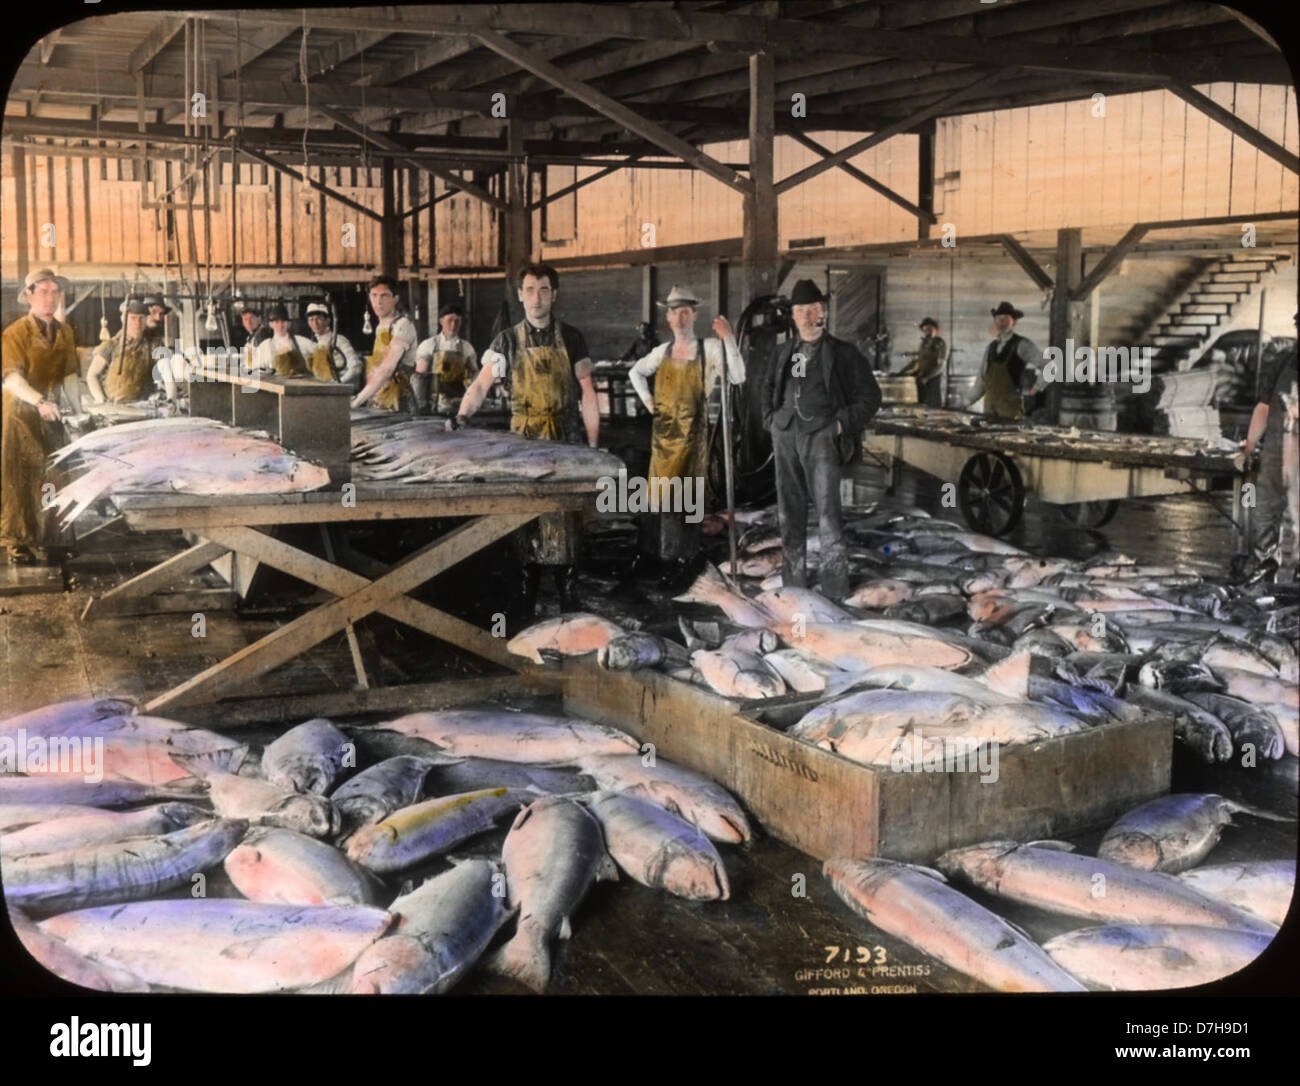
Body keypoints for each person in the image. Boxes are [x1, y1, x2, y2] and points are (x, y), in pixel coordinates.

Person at [451, 261, 600, 618]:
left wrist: (594, 448)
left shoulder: (573, 337)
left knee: (567, 522)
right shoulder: (506, 340)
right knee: (525, 522)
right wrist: (461, 416)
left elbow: (588, 393)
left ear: (555, 294)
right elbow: (481, 386)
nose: (537, 298)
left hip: (566, 442)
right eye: (530, 290)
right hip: (524, 444)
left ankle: (569, 601)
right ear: (520, 296)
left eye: (544, 289)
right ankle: (525, 601)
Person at [762, 279, 880, 602]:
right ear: (793, 316)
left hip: (822, 437)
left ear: (823, 312)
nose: (807, 315)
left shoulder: (843, 353)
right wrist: (771, 421)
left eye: (813, 309)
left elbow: (870, 397)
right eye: (801, 310)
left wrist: (840, 426)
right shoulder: (783, 353)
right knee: (789, 511)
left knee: (828, 515)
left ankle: (835, 591)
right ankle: (794, 586)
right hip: (786, 435)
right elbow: (768, 388)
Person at [628, 285, 744, 588]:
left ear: (694, 315)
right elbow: (635, 373)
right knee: (660, 504)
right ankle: (661, 560)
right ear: (667, 318)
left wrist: (729, 338)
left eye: (685, 312)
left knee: (687, 502)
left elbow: (739, 376)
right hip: (663, 440)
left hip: (693, 440)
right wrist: (649, 402)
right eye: (673, 312)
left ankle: (685, 564)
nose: (679, 318)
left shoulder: (710, 349)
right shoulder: (660, 352)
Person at [2, 268, 83, 565]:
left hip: (51, 412)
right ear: (30, 296)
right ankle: (17, 543)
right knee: (20, 479)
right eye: (44, 292)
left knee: (54, 476)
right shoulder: (16, 332)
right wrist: (39, 402)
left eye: (54, 292)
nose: (50, 298)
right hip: (20, 412)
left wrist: (80, 410)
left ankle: (52, 541)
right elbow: (11, 378)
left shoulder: (65, 332)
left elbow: (70, 375)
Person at [1239, 312, 1300, 584]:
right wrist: (1249, 446)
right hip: (1276, 449)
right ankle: (1264, 566)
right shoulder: (1283, 361)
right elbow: (1263, 407)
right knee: (1264, 511)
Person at [87, 299, 176, 404]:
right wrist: (100, 399)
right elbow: (91, 375)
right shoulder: (111, 345)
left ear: (145, 321)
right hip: (114, 407)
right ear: (124, 320)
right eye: (133, 318)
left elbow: (167, 372)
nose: (137, 323)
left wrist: (172, 400)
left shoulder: (154, 345)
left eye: (141, 318)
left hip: (144, 406)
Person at [352, 276, 419, 412]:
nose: (378, 302)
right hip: (379, 399)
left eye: (384, 296)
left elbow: (387, 370)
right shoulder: (380, 327)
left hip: (399, 404)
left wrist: (357, 400)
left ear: (395, 299)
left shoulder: (402, 325)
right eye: (374, 295)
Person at [976, 301, 1042, 420]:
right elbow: (980, 382)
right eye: (998, 319)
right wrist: (965, 402)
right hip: (989, 411)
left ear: (1014, 322)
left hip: (1010, 411)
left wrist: (1036, 388)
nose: (1001, 322)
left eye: (1006, 318)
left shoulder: (1022, 344)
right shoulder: (990, 348)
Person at [414, 302, 478, 415]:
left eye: (457, 321)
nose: (453, 325)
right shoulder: (429, 345)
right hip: (434, 402)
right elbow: (420, 377)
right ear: (441, 321)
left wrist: (472, 400)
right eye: (449, 321)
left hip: (458, 401)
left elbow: (475, 375)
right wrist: (421, 405)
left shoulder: (467, 348)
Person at [304, 302, 363, 386]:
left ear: (327, 321)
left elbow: (356, 367)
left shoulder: (339, 340)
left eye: (319, 319)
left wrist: (339, 383)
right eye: (311, 319)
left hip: (340, 391)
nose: (315, 323)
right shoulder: (318, 345)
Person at [252, 304, 316, 377]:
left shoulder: (300, 341)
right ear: (271, 324)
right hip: (274, 386)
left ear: (289, 324)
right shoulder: (265, 345)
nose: (280, 325)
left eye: (283, 322)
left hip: (299, 385)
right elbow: (254, 368)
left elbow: (319, 353)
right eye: (276, 322)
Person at [898, 317, 947, 407]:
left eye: (930, 329)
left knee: (933, 406)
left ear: (935, 329)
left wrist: (928, 378)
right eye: (925, 330)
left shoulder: (939, 343)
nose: (927, 332)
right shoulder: (923, 344)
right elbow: (918, 361)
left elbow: (941, 365)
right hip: (921, 379)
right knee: (922, 406)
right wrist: (902, 373)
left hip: (933, 380)